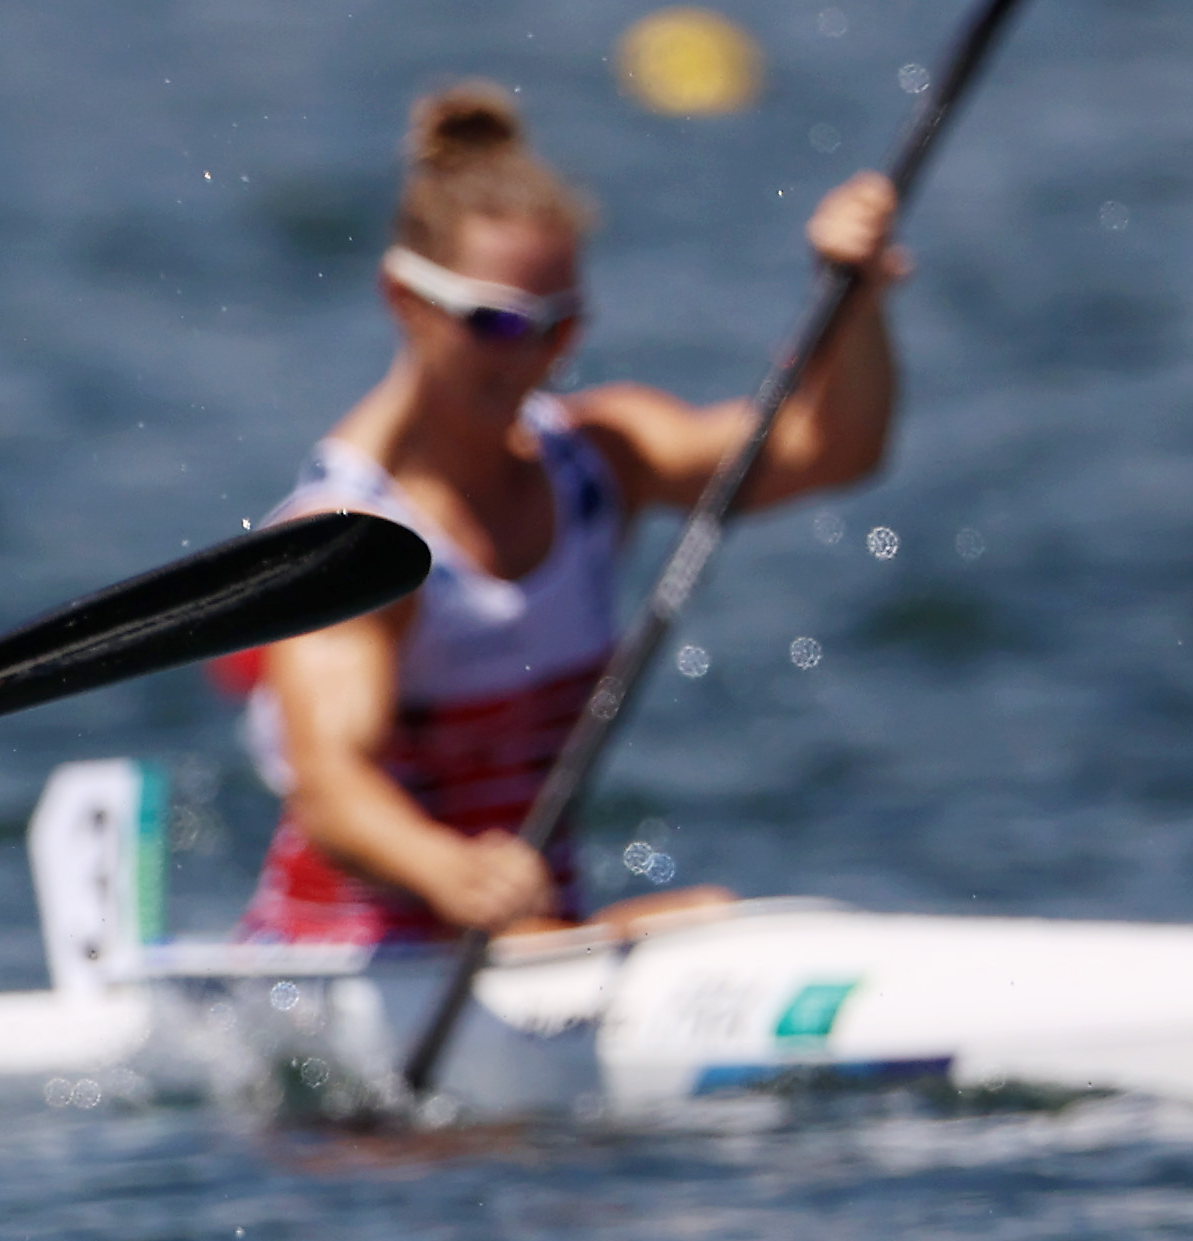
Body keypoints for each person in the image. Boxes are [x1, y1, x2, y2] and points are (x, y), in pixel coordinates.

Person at [240, 81, 910, 946]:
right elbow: (331, 792)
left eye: (557, 330)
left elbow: (833, 452)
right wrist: (451, 870)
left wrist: (854, 303)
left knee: (712, 916)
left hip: (533, 946)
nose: (528, 360)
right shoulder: (351, 543)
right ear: (403, 298)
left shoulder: (598, 463)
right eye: (496, 324)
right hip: (348, 970)